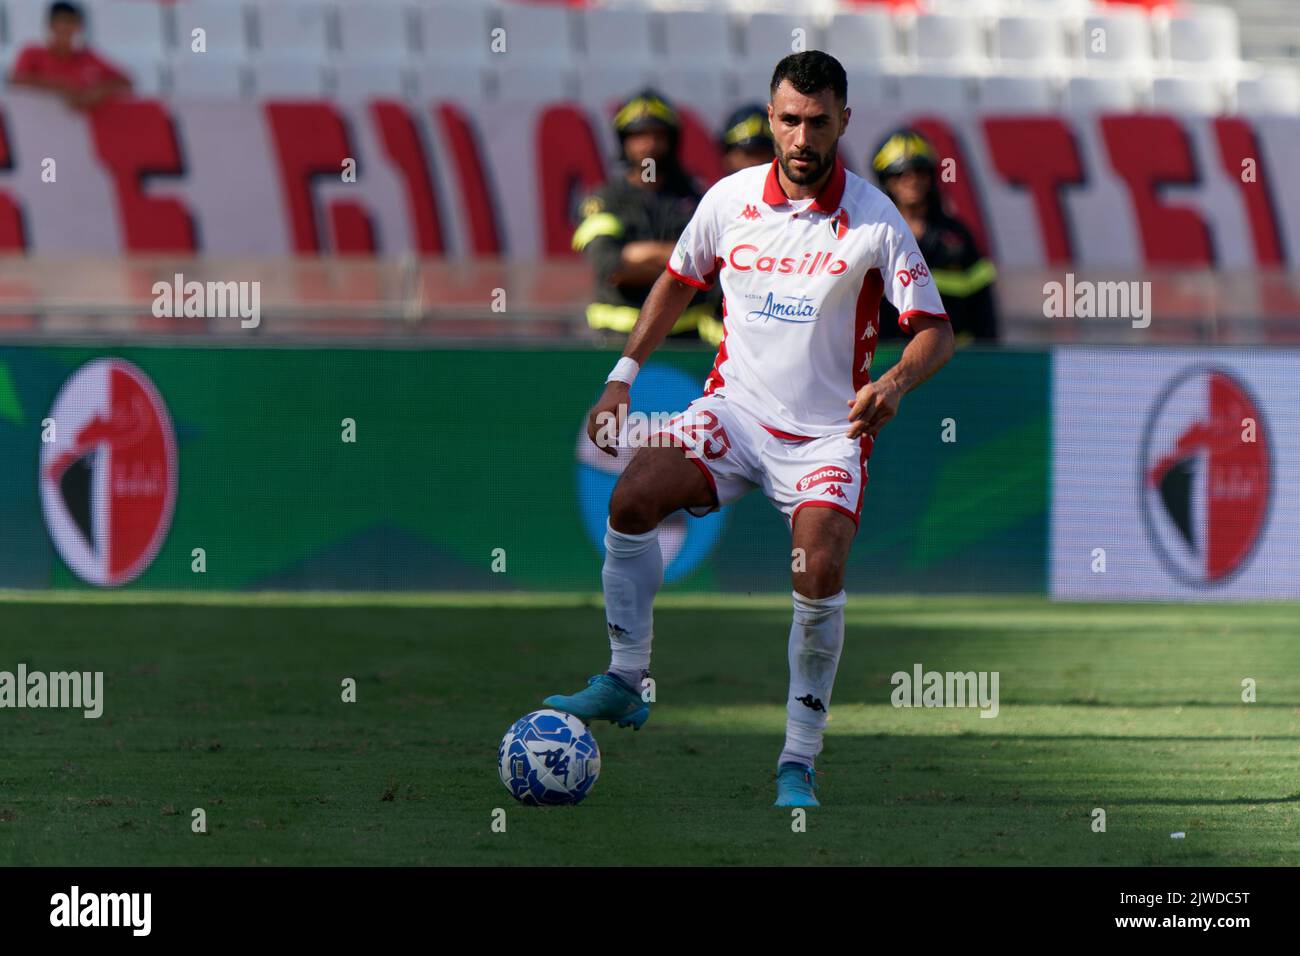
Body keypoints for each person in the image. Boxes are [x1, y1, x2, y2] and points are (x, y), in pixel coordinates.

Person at [544, 52, 954, 808]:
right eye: (790, 120)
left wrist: (893, 383)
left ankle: (798, 758)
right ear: (771, 119)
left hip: (828, 433)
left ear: (843, 122)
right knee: (631, 500)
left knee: (818, 572)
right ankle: (625, 679)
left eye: (818, 121)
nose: (802, 137)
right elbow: (676, 280)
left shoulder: (873, 218)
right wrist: (620, 379)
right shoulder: (730, 199)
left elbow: (935, 329)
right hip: (732, 412)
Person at [572, 89, 716, 343]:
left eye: (657, 134)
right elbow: (610, 265)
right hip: (616, 342)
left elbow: (709, 265)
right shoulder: (603, 201)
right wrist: (676, 261)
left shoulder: (695, 197)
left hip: (684, 343)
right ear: (623, 141)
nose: (648, 144)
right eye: (637, 135)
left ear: (672, 140)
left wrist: (641, 254)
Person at [870, 128, 997, 343]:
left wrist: (986, 364)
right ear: (886, 180)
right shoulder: (871, 235)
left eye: (920, 171)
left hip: (953, 363)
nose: (912, 180)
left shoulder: (958, 237)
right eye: (900, 173)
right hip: (886, 363)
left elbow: (984, 311)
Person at [8, 2, 132, 111]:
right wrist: (61, 88)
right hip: (36, 125)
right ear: (51, 25)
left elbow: (125, 82)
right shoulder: (32, 53)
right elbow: (15, 80)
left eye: (72, 22)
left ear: (78, 27)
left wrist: (97, 93)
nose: (67, 28)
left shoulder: (87, 57)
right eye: (63, 22)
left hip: (76, 131)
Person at [720, 102, 775, 174]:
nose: (757, 162)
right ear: (728, 158)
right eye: (749, 153)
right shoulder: (719, 185)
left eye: (763, 153)